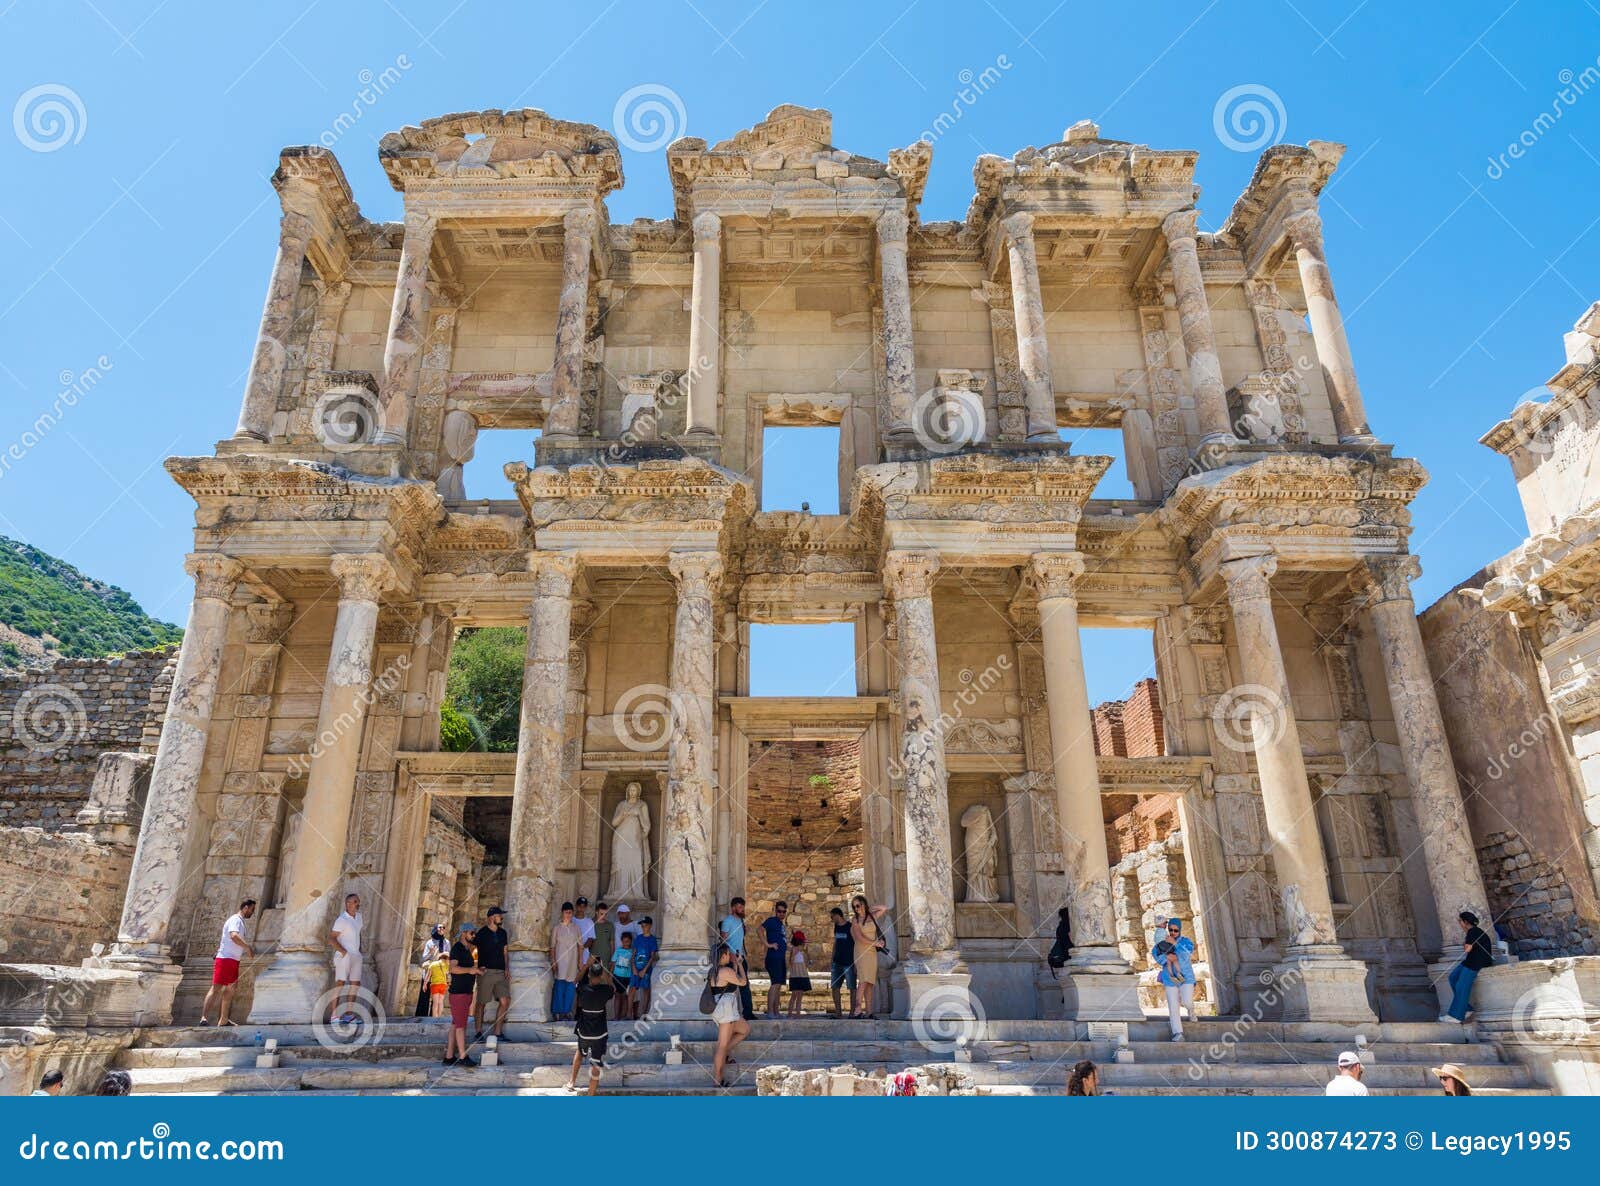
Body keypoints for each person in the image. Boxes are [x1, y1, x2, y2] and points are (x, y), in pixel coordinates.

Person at [200, 898, 256, 1026]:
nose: (252, 913)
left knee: (231, 989)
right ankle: (204, 1018)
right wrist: (248, 948)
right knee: (217, 987)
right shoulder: (235, 920)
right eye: (252, 909)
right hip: (226, 958)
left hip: (233, 959)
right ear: (245, 907)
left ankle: (223, 1019)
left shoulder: (240, 921)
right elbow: (234, 936)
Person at [569, 960, 615, 1095]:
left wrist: (586, 966)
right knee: (596, 1063)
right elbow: (612, 987)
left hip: (584, 1032)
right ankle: (591, 1094)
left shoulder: (583, 989)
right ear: (600, 976)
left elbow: (575, 982)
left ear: (589, 975)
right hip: (599, 1034)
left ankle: (571, 1082)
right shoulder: (605, 990)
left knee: (579, 1053)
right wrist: (604, 970)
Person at [1442, 910, 1495, 1023]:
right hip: (1471, 960)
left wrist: (1466, 945)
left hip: (1477, 962)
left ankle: (1456, 1016)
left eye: (1460, 921)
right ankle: (1467, 1009)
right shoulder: (1473, 932)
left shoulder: (1473, 932)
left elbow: (1468, 949)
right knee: (1453, 977)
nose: (1459, 923)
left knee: (1461, 985)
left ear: (1465, 922)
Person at [708, 942, 749, 1088]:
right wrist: (742, 966)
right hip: (726, 1010)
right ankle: (718, 1080)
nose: (729, 955)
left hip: (723, 1008)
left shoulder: (714, 970)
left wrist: (736, 964)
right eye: (727, 953)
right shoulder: (725, 971)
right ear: (723, 955)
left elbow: (731, 981)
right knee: (722, 1045)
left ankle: (725, 1053)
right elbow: (742, 982)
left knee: (744, 1029)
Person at [1152, 917, 1197, 1041]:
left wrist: (1175, 943)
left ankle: (1191, 1010)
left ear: (1180, 930)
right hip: (1169, 979)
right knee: (1173, 1006)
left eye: (1175, 931)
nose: (1172, 933)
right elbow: (1157, 955)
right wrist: (1167, 958)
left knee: (1187, 1001)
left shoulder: (1186, 941)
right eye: (1170, 930)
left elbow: (1187, 955)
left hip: (1186, 977)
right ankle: (1178, 1033)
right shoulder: (1162, 940)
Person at [472, 906, 510, 1043]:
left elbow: (505, 952)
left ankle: (497, 1033)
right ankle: (478, 1033)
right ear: (492, 917)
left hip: (500, 972)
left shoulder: (503, 933)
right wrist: (474, 966)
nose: (502, 917)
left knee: (505, 1001)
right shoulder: (481, 933)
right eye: (499, 915)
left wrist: (507, 968)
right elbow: (470, 947)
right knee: (481, 1003)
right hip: (486, 972)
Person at [444, 922, 479, 1067]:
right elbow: (453, 969)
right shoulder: (457, 948)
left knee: (455, 1024)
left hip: (465, 992)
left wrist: (476, 970)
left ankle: (449, 1056)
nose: (473, 935)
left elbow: (466, 968)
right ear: (464, 933)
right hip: (459, 993)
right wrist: (470, 970)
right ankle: (463, 1056)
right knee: (460, 1026)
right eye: (472, 933)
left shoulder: (466, 949)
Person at [849, 895, 890, 1018]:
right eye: (854, 906)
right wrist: (875, 943)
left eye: (858, 905)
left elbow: (884, 908)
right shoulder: (855, 920)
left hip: (872, 952)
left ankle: (869, 1011)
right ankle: (857, 1011)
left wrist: (869, 909)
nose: (856, 908)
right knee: (863, 980)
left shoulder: (871, 916)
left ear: (863, 904)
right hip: (861, 951)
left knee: (870, 982)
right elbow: (859, 937)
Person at [329, 892, 363, 1024]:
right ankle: (334, 1016)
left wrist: (359, 951)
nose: (353, 904)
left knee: (355, 984)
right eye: (349, 902)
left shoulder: (359, 917)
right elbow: (331, 938)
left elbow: (358, 934)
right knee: (340, 984)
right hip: (343, 956)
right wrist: (344, 952)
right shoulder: (341, 919)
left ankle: (349, 1015)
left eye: (355, 902)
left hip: (356, 955)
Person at [720, 896, 753, 1020]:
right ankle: (727, 1014)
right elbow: (723, 940)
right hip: (731, 958)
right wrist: (731, 955)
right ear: (733, 907)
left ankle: (748, 1013)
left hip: (740, 958)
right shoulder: (727, 921)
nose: (742, 910)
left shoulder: (740, 921)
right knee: (730, 987)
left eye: (742, 907)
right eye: (739, 907)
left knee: (745, 986)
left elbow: (738, 939)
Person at [551, 901, 584, 1020]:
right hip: (560, 961)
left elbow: (581, 946)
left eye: (570, 912)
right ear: (562, 913)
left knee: (570, 987)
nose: (568, 915)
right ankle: (557, 1011)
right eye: (566, 912)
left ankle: (566, 1011)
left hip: (572, 962)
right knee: (559, 986)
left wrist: (580, 961)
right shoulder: (557, 928)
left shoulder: (576, 928)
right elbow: (553, 946)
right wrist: (553, 961)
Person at [827, 906, 857, 1018]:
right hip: (837, 962)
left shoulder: (850, 927)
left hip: (849, 962)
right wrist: (832, 959)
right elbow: (836, 943)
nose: (831, 919)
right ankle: (838, 1012)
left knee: (852, 988)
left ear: (837, 915)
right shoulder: (836, 927)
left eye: (832, 917)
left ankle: (852, 1012)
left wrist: (856, 963)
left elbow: (856, 945)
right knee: (835, 987)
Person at [761, 901, 789, 1017]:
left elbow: (783, 941)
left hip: (781, 958)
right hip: (773, 958)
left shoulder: (781, 925)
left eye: (783, 912)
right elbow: (759, 930)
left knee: (778, 985)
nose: (781, 913)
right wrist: (768, 945)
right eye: (779, 911)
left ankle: (776, 1012)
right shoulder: (772, 921)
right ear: (775, 911)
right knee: (774, 984)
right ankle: (770, 1012)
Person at [630, 915, 659, 1020]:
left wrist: (644, 970)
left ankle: (644, 1013)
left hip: (646, 969)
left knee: (646, 990)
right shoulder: (638, 938)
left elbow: (652, 957)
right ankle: (630, 1014)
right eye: (641, 925)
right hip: (635, 968)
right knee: (632, 989)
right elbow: (633, 954)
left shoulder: (652, 939)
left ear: (650, 926)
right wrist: (633, 967)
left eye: (645, 925)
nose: (643, 927)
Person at [416, 923, 448, 1017]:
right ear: (435, 929)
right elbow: (423, 959)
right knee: (425, 995)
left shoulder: (446, 942)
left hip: (440, 974)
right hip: (429, 972)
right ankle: (421, 1016)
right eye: (440, 927)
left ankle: (434, 1017)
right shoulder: (430, 942)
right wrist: (430, 953)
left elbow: (449, 956)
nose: (442, 929)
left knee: (437, 998)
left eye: (443, 927)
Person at [785, 930, 812, 1018]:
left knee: (800, 996)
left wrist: (807, 954)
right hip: (795, 976)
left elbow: (808, 965)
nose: (803, 943)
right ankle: (789, 1014)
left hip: (803, 975)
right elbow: (791, 963)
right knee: (794, 995)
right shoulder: (793, 949)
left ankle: (798, 1014)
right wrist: (794, 953)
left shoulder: (803, 952)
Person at [610, 930, 634, 1014]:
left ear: (630, 941)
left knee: (624, 997)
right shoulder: (618, 951)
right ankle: (616, 1016)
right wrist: (610, 976)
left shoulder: (632, 952)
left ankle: (623, 1016)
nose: (625, 943)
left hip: (627, 977)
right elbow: (613, 964)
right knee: (617, 996)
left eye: (627, 941)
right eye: (623, 941)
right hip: (617, 977)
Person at [591, 901, 615, 984]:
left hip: (606, 960)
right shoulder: (590, 924)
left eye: (605, 914)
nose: (604, 916)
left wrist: (612, 959)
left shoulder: (610, 925)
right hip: (593, 960)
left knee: (604, 984)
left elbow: (612, 943)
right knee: (593, 983)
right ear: (596, 912)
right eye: (601, 914)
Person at [573, 896, 596, 972]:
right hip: (571, 956)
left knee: (582, 980)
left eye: (583, 906)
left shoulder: (589, 922)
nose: (581, 909)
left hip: (584, 957)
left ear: (585, 908)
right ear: (576, 906)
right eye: (579, 906)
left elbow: (590, 940)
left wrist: (581, 949)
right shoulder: (571, 920)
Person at [426, 946, 449, 1017]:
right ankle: (439, 1017)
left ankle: (434, 1018)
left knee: (435, 1003)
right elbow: (447, 974)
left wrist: (425, 984)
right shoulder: (446, 965)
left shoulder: (433, 964)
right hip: (443, 985)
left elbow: (428, 976)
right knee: (441, 1002)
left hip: (435, 985)